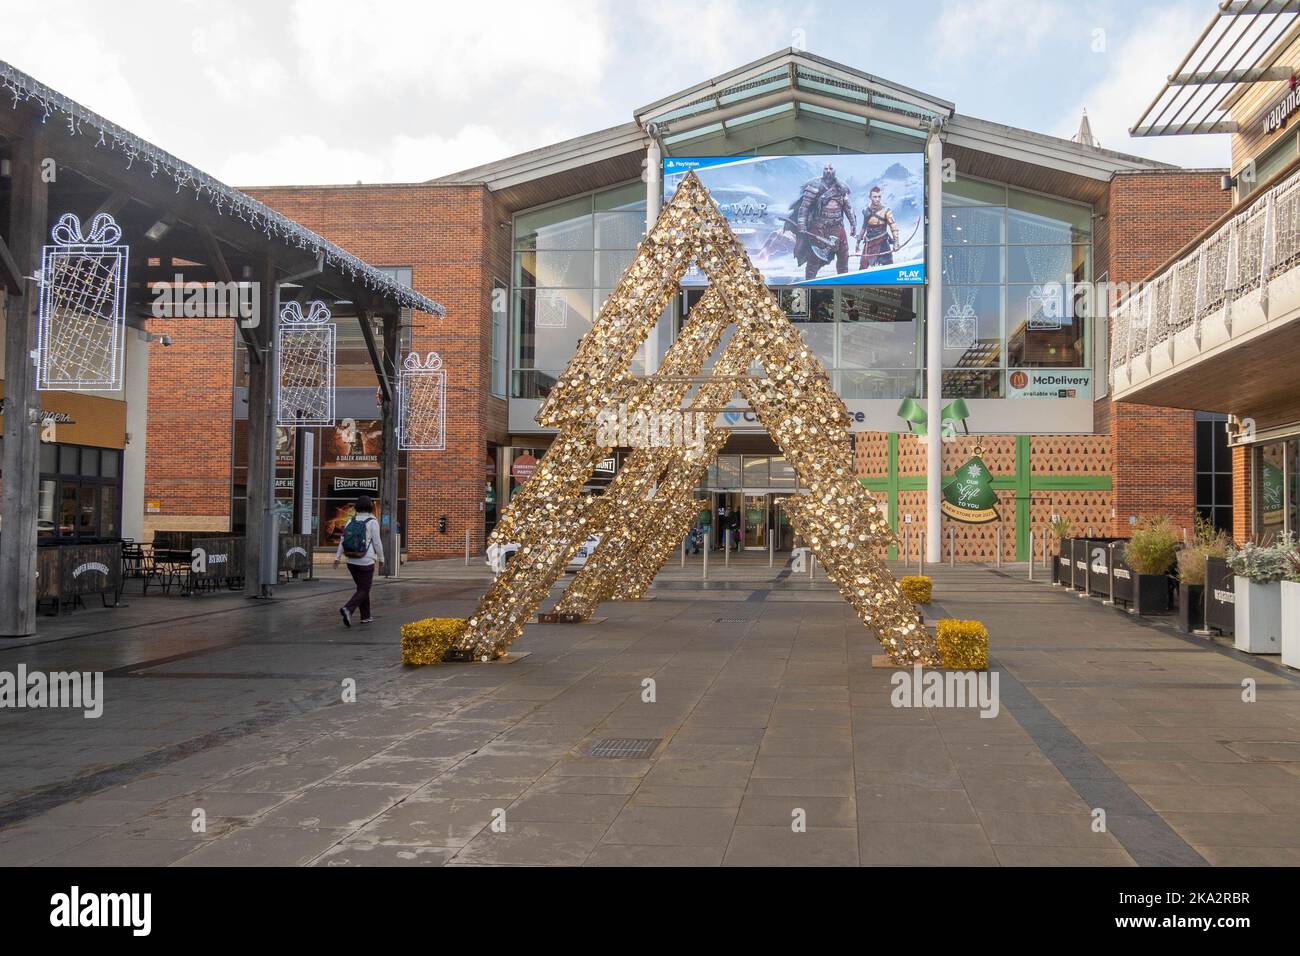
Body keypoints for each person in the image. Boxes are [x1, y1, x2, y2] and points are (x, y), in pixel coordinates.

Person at [334, 495, 384, 626]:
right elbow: (377, 543)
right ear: (370, 507)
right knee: (364, 589)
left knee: (362, 588)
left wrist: (337, 557)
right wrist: (382, 558)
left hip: (351, 561)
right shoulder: (372, 522)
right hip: (365, 561)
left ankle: (365, 616)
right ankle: (348, 609)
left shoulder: (351, 520)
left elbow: (343, 540)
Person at [855, 186, 899, 269]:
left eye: (879, 197)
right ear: (870, 197)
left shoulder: (886, 211)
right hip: (869, 243)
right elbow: (864, 227)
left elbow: (893, 226)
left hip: (883, 243)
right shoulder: (866, 210)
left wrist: (896, 242)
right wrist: (857, 244)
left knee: (888, 268)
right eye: (875, 197)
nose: (877, 199)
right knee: (863, 268)